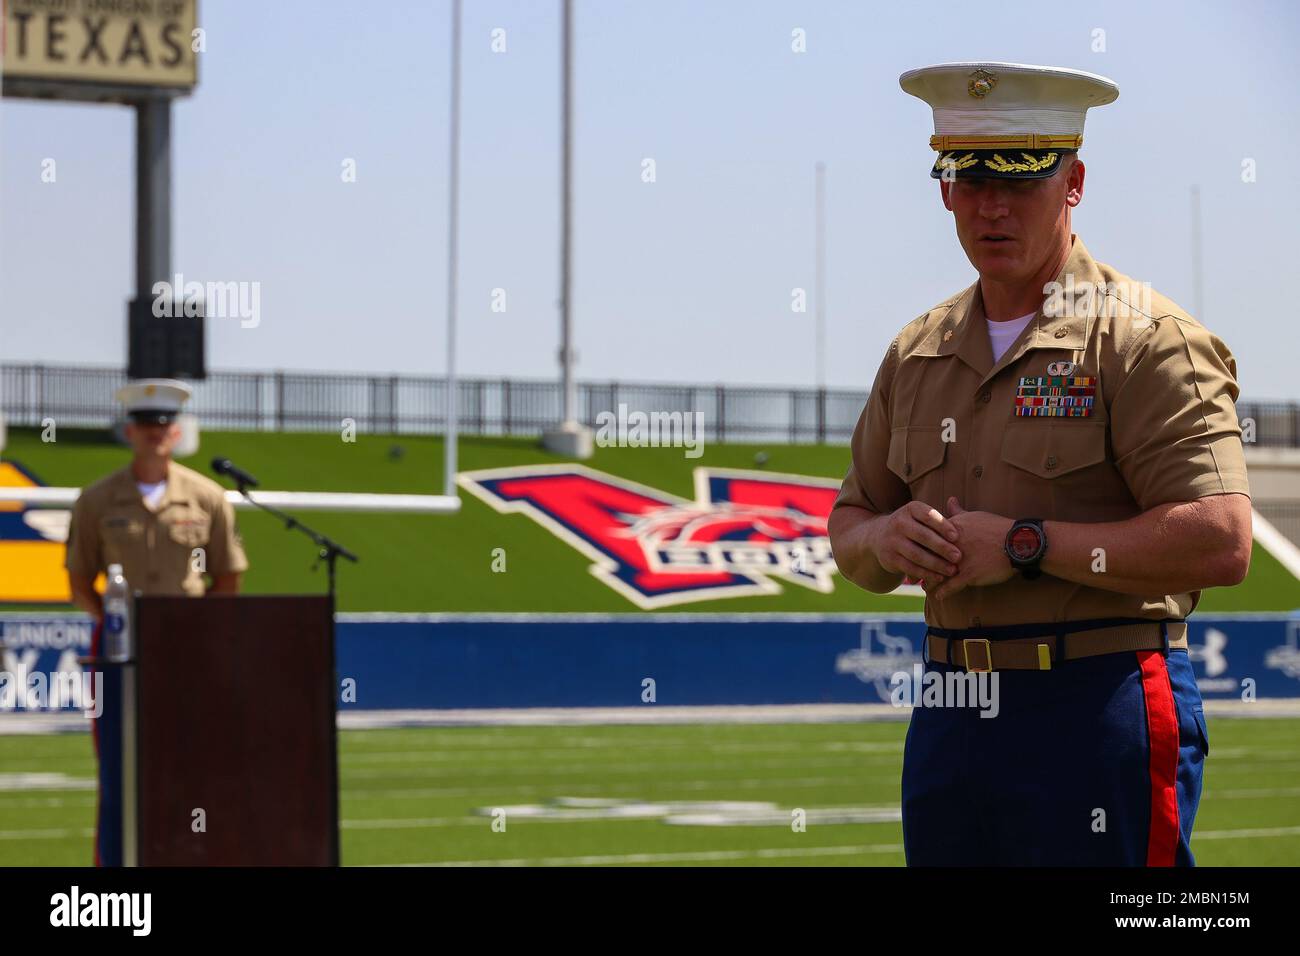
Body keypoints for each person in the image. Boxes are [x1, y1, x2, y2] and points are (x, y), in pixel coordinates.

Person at [828, 62, 1252, 866]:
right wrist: (885, 539)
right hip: (951, 703)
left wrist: (1024, 544)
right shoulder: (916, 351)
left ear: (1075, 183)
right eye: (970, 175)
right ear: (945, 187)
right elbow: (849, 522)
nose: (992, 204)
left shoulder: (1143, 337)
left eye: (1021, 180)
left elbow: (1221, 539)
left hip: (1097, 698)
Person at [65, 378, 249, 866]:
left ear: (177, 430)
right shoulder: (98, 499)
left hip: (187, 646)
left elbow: (228, 575)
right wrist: (116, 623)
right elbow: (80, 578)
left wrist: (196, 628)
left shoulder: (208, 498)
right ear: (130, 430)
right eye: (146, 423)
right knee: (118, 768)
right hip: (117, 649)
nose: (155, 432)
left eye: (165, 423)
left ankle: (188, 855)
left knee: (191, 761)